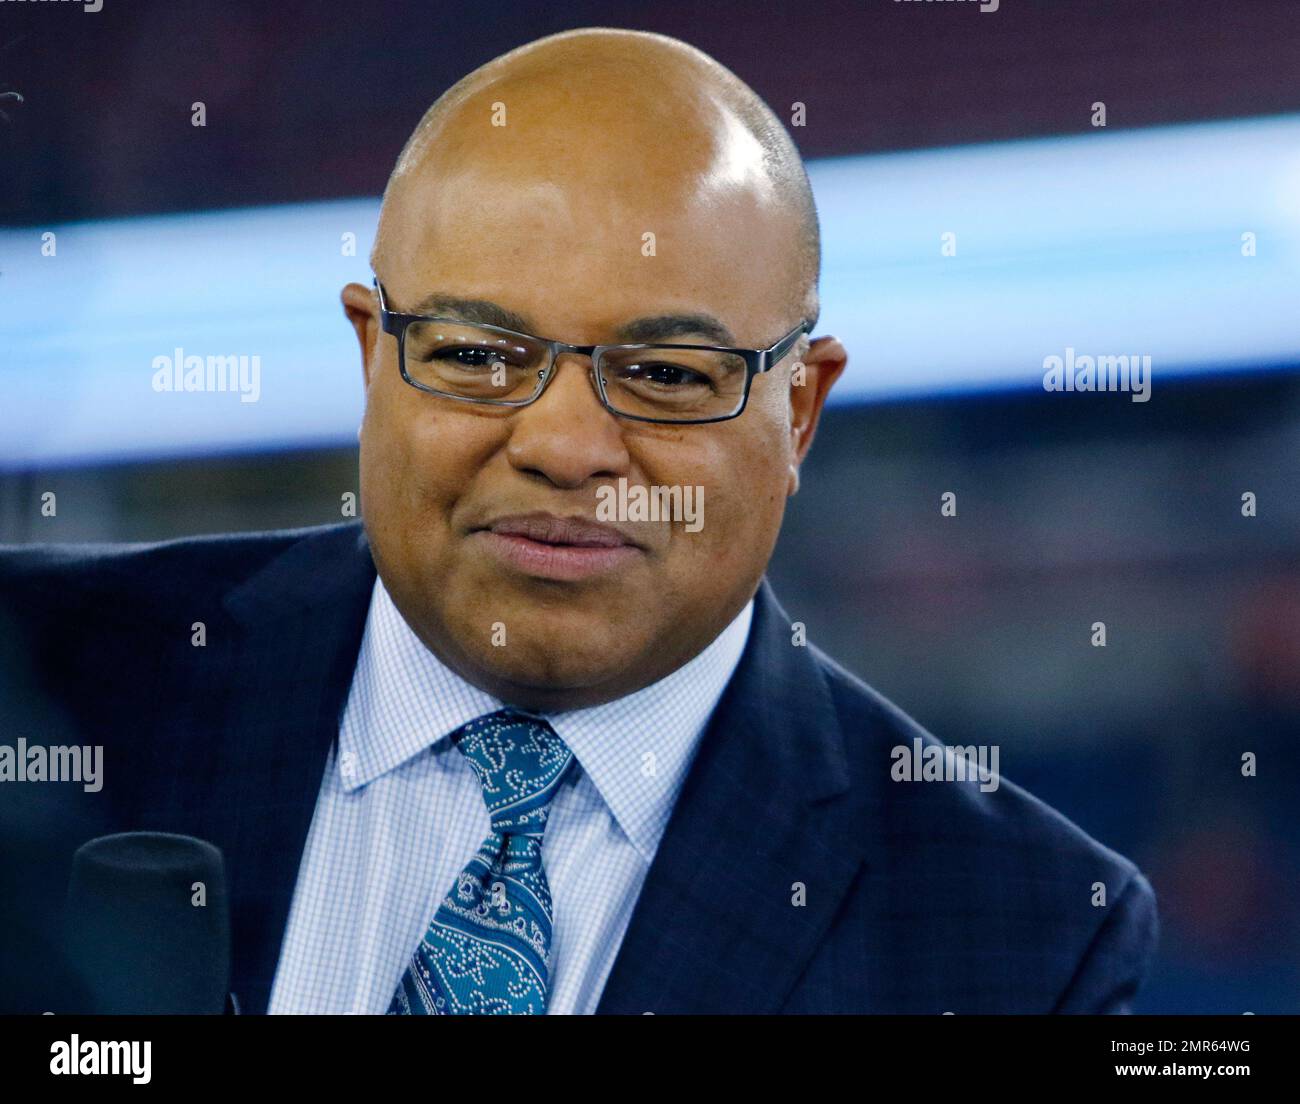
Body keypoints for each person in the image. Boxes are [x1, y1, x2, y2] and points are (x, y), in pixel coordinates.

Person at [0, 27, 1155, 1014]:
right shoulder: (36, 678)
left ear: (798, 412)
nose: (561, 445)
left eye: (662, 373)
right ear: (370, 354)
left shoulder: (1023, 939)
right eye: (474, 356)